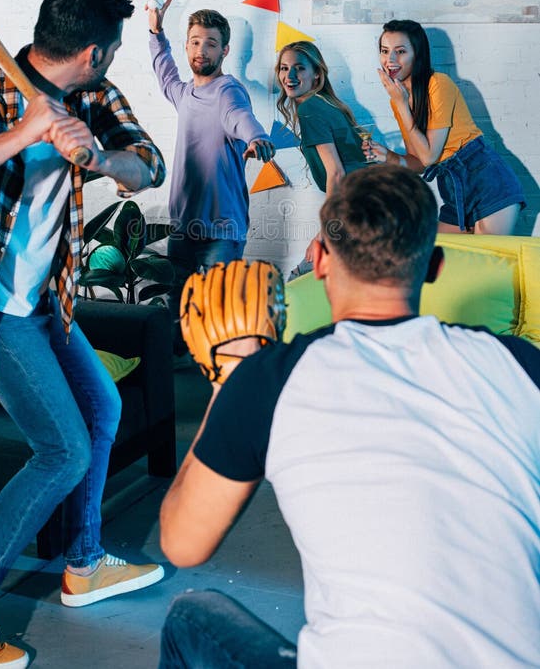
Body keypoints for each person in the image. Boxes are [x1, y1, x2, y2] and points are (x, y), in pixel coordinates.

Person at [158, 164, 540, 669]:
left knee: (192, 616)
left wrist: (230, 383)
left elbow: (182, 545)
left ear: (317, 259)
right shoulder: (520, 365)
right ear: (434, 266)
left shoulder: (271, 381)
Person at [0, 0, 167, 669]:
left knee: (101, 409)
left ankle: (83, 561)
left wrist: (99, 157)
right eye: (118, 48)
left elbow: (148, 167)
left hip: (51, 302)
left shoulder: (94, 100)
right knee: (63, 449)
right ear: (95, 51)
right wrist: (24, 133)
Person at [146, 0, 275, 336]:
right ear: (187, 46)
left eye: (211, 43)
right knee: (177, 309)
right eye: (195, 42)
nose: (201, 49)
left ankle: (225, 378)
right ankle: (173, 374)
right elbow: (165, 72)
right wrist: (156, 33)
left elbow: (240, 117)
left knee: (221, 314)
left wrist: (256, 138)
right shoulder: (184, 93)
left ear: (225, 51)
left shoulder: (227, 91)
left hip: (222, 228)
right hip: (184, 225)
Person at [369, 18, 525, 234]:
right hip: (454, 191)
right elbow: (419, 163)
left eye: (400, 51)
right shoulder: (399, 99)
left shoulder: (438, 84)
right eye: (384, 51)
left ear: (417, 54)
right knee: (434, 252)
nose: (390, 59)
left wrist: (402, 105)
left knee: (485, 262)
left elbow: (429, 157)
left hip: (488, 182)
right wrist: (387, 156)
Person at [275, 40, 367, 268]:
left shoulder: (310, 109)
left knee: (305, 277)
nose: (290, 75)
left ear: (317, 74)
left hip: (357, 207)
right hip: (369, 202)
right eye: (284, 68)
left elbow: (336, 173)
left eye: (300, 68)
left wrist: (325, 232)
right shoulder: (326, 103)